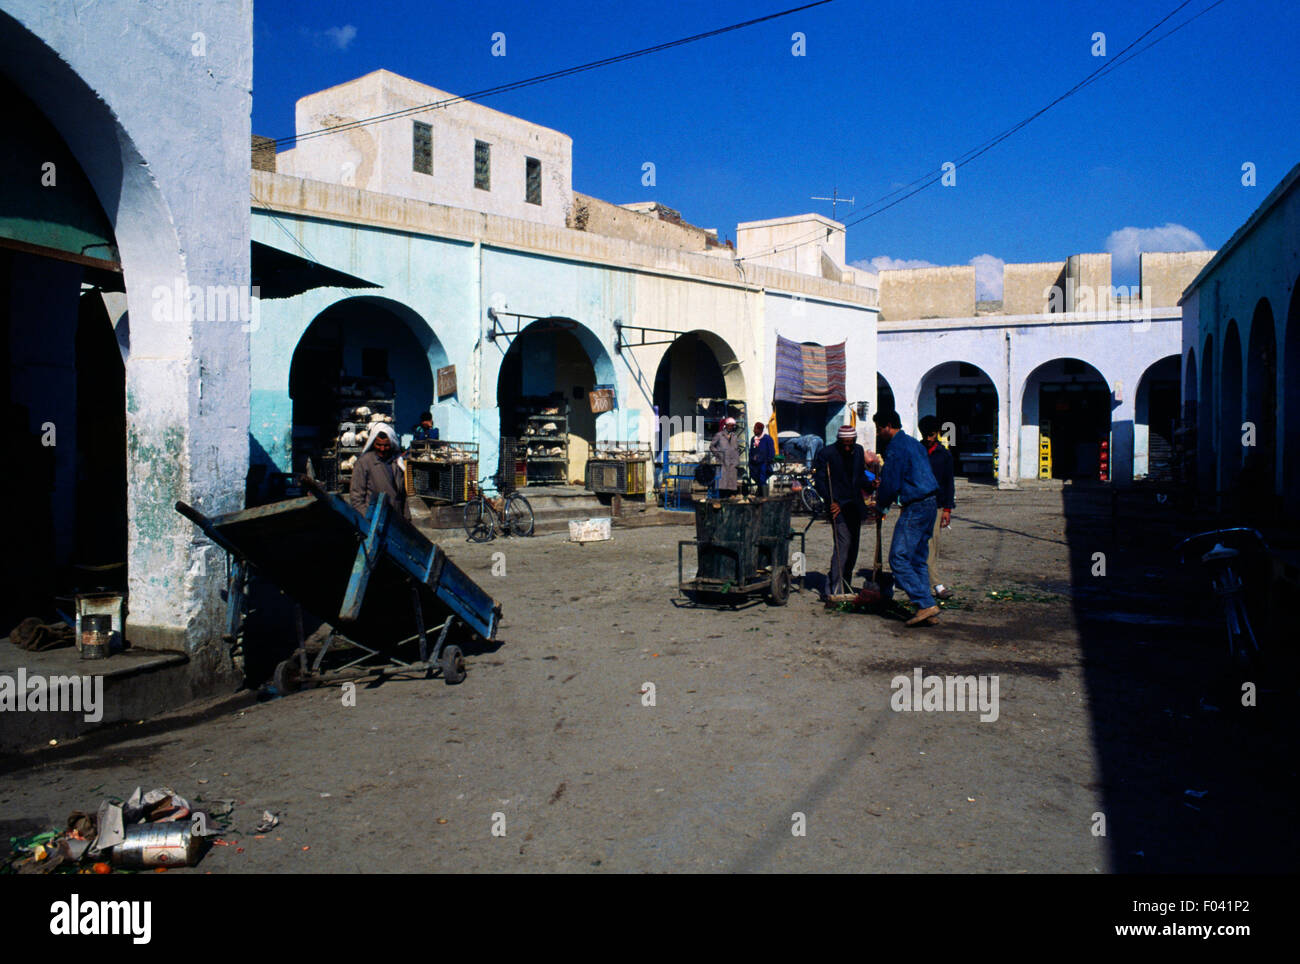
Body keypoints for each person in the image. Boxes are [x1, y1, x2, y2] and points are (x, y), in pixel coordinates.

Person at [873, 410, 941, 627]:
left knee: (898, 558)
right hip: (930, 503)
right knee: (918, 559)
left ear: (889, 425)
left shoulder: (895, 447)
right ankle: (926, 608)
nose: (877, 432)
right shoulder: (914, 443)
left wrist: (881, 505)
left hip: (916, 505)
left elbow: (891, 482)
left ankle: (925, 603)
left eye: (879, 428)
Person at [814, 423, 868, 596]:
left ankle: (846, 583)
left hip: (855, 505)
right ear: (838, 441)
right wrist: (831, 501)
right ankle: (834, 589)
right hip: (837, 506)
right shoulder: (826, 454)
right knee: (842, 545)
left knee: (853, 547)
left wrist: (871, 485)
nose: (847, 447)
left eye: (850, 443)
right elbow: (820, 482)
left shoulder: (858, 451)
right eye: (844, 443)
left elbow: (860, 477)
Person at [918, 415, 956, 601]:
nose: (928, 438)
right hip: (916, 504)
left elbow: (949, 484)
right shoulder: (916, 450)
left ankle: (936, 584)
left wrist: (947, 509)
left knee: (932, 544)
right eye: (926, 434)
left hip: (937, 505)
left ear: (938, 433)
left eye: (931, 434)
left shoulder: (944, 455)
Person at [349, 424, 411, 522]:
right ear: (373, 443)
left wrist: (407, 519)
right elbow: (356, 498)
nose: (382, 449)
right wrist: (369, 520)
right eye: (379, 445)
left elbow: (402, 495)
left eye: (386, 445)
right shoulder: (364, 463)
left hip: (396, 519)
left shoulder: (397, 462)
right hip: (375, 520)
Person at [708, 416, 742, 498]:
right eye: (729, 425)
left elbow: (736, 449)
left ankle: (729, 500)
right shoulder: (719, 435)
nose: (731, 427)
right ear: (726, 425)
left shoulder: (734, 436)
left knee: (731, 484)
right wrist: (718, 454)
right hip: (722, 462)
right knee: (722, 484)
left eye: (732, 425)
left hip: (732, 463)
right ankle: (721, 500)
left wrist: (737, 460)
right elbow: (712, 446)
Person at [749, 421, 776, 496]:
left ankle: (763, 496)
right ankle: (760, 493)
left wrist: (767, 461)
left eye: (756, 429)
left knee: (762, 479)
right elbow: (751, 450)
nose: (754, 430)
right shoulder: (753, 439)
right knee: (755, 477)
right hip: (754, 464)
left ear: (760, 430)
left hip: (764, 463)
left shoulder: (767, 439)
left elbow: (771, 452)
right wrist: (752, 458)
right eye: (754, 429)